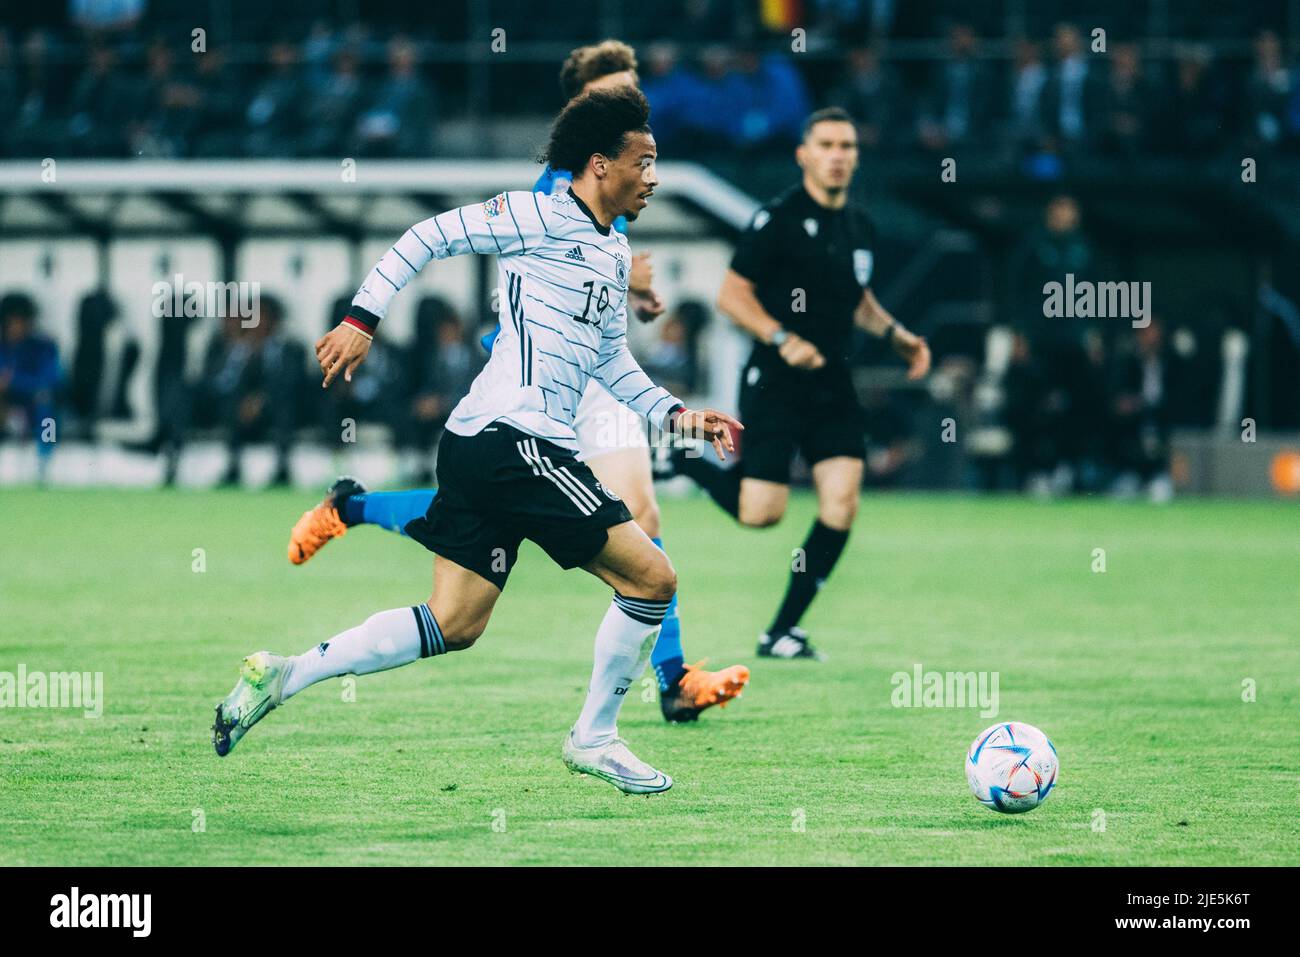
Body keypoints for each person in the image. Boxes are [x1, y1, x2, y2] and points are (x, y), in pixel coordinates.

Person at [213, 87, 744, 795]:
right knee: (653, 578)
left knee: (456, 621)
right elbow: (427, 235)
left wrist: (680, 416)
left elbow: (612, 361)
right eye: (643, 163)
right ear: (598, 164)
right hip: (512, 440)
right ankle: (595, 736)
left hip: (483, 445)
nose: (653, 178)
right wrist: (361, 320)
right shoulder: (538, 214)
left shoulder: (614, 253)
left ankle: (284, 674)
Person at [668, 107, 930, 660]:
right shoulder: (778, 220)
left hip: (833, 383)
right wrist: (782, 335)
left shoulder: (860, 224)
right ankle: (683, 462)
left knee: (842, 504)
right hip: (776, 381)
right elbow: (732, 296)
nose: (838, 155)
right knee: (760, 513)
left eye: (847, 146)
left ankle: (781, 631)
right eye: (827, 145)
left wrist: (897, 335)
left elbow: (855, 298)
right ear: (803, 155)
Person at [0, 292, 61, 481]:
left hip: (30, 401)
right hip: (4, 402)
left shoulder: (44, 346)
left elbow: (52, 380)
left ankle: (45, 460)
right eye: (13, 321)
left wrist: (13, 381)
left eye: (22, 321)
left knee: (46, 405)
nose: (18, 327)